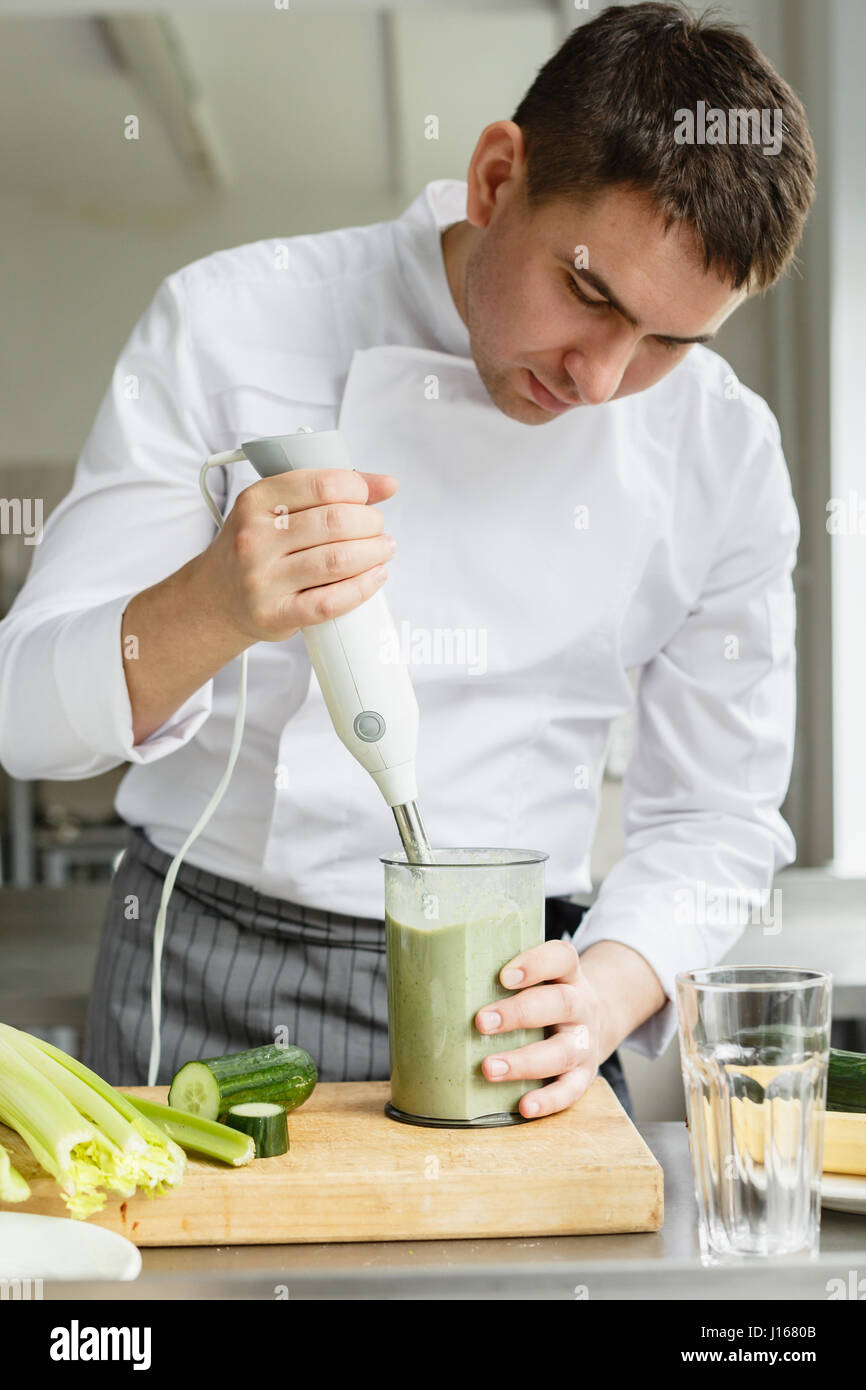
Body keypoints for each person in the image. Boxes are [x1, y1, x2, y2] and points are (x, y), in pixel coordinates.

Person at [0, 3, 815, 1120]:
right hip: (208, 970)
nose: (599, 378)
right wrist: (214, 603)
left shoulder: (722, 450)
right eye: (588, 294)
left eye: (670, 340)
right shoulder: (229, 325)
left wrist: (606, 991)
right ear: (494, 178)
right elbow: (24, 720)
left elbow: (719, 816)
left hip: (518, 994)